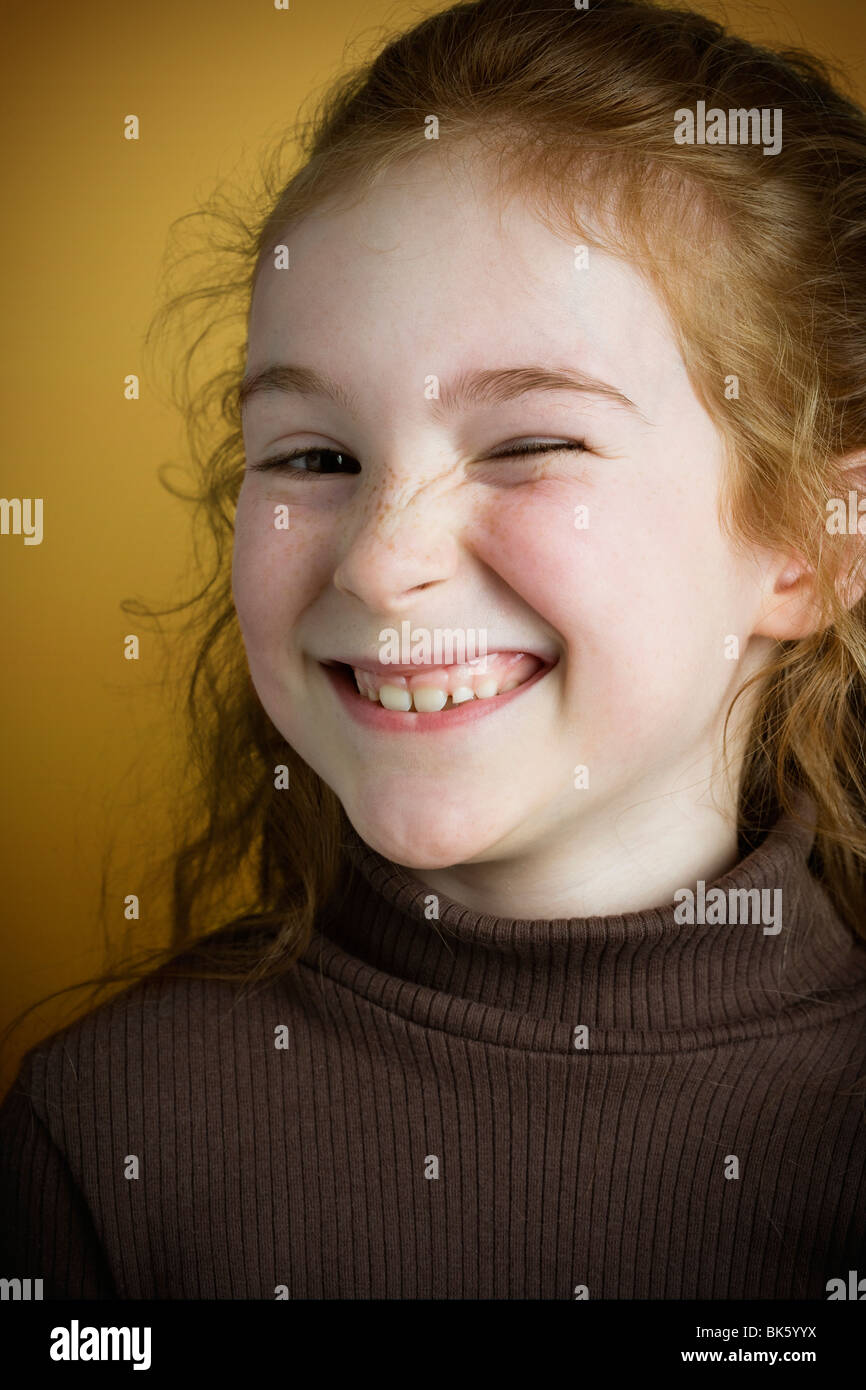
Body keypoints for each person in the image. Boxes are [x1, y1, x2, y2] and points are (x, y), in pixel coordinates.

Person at [1, 0, 865, 1299]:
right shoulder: (102, 1131)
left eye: (527, 443)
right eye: (313, 458)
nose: (375, 558)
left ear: (810, 542)